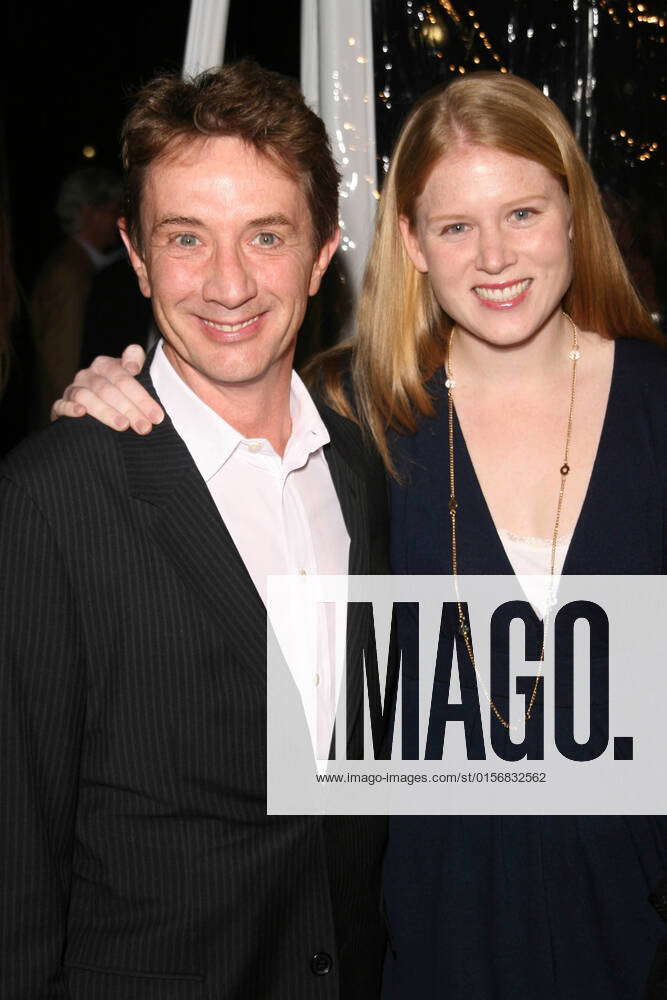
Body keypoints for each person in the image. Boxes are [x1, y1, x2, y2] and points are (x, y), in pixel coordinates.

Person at [52, 71, 667, 998]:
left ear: (573, 217)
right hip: (420, 956)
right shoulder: (347, 421)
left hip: (636, 949)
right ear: (409, 242)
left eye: (522, 213)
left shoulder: (657, 412)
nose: (493, 256)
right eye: (454, 226)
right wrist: (110, 397)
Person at [0, 62, 390, 999]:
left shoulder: (364, 473)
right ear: (136, 256)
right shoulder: (52, 498)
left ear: (322, 251)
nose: (228, 283)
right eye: (186, 237)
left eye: (266, 235)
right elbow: (16, 862)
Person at [31, 166, 122, 422]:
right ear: (90, 213)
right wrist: (71, 421)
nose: (119, 221)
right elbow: (62, 357)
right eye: (113, 211)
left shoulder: (81, 265)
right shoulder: (69, 273)